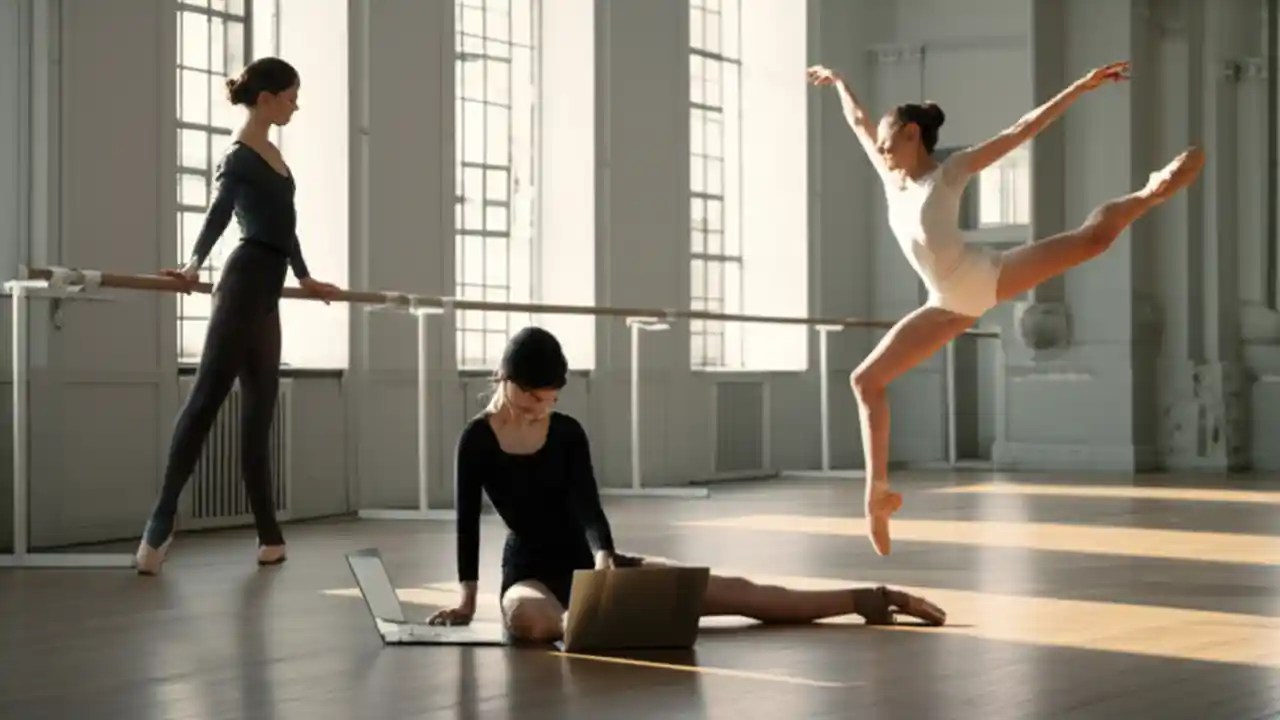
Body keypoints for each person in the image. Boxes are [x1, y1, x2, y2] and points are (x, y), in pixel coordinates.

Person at [807, 61, 1205, 556]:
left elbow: (1022, 130)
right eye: (882, 149)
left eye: (890, 146)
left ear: (913, 135)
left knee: (1094, 240)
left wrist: (1081, 86)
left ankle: (1149, 191)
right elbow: (858, 122)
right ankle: (878, 496)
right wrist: (840, 83)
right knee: (865, 381)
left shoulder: (949, 173)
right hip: (945, 305)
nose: (883, 155)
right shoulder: (892, 178)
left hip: (985, 277)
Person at [427, 326, 946, 641]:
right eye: (535, 398)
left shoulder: (567, 433)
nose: (543, 408)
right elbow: (467, 522)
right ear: (506, 380)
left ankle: (869, 598)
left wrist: (606, 560)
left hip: (593, 566)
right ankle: (609, 626)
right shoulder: (476, 440)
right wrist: (468, 602)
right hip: (530, 574)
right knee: (530, 623)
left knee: (740, 593)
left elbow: (588, 507)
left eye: (551, 399)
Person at [136, 57, 342, 575]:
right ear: (268, 98)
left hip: (268, 290)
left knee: (258, 416)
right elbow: (219, 212)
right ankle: (160, 524)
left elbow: (286, 227)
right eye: (292, 96)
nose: (296, 104)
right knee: (205, 401)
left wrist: (304, 275)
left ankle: (269, 537)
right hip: (242, 281)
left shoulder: (276, 156)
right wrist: (192, 263)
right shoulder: (239, 156)